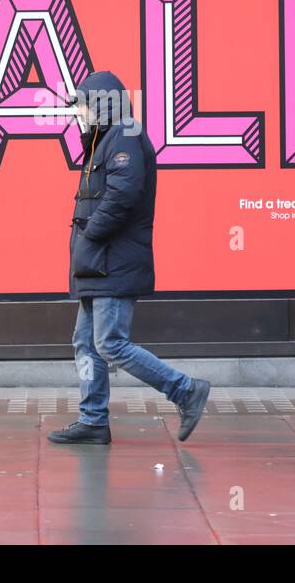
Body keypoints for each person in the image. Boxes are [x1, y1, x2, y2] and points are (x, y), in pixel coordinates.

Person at [46, 70, 211, 445]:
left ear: (102, 104)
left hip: (112, 261)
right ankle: (93, 421)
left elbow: (123, 194)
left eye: (84, 105)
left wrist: (90, 235)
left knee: (110, 343)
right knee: (86, 342)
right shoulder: (107, 138)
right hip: (98, 262)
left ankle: (185, 391)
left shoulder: (125, 133)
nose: (79, 113)